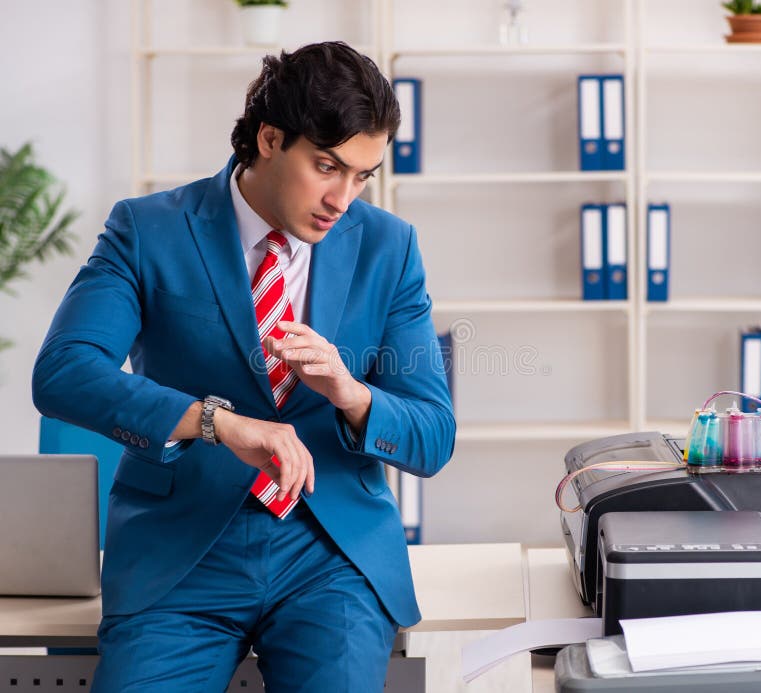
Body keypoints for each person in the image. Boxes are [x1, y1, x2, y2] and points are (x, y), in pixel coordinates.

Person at [32, 41, 455, 692]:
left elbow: (432, 434)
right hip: (181, 550)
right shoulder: (148, 230)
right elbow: (62, 370)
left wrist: (351, 392)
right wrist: (213, 421)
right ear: (268, 138)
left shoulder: (388, 248)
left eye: (362, 175)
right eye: (326, 166)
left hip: (329, 552)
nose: (343, 197)